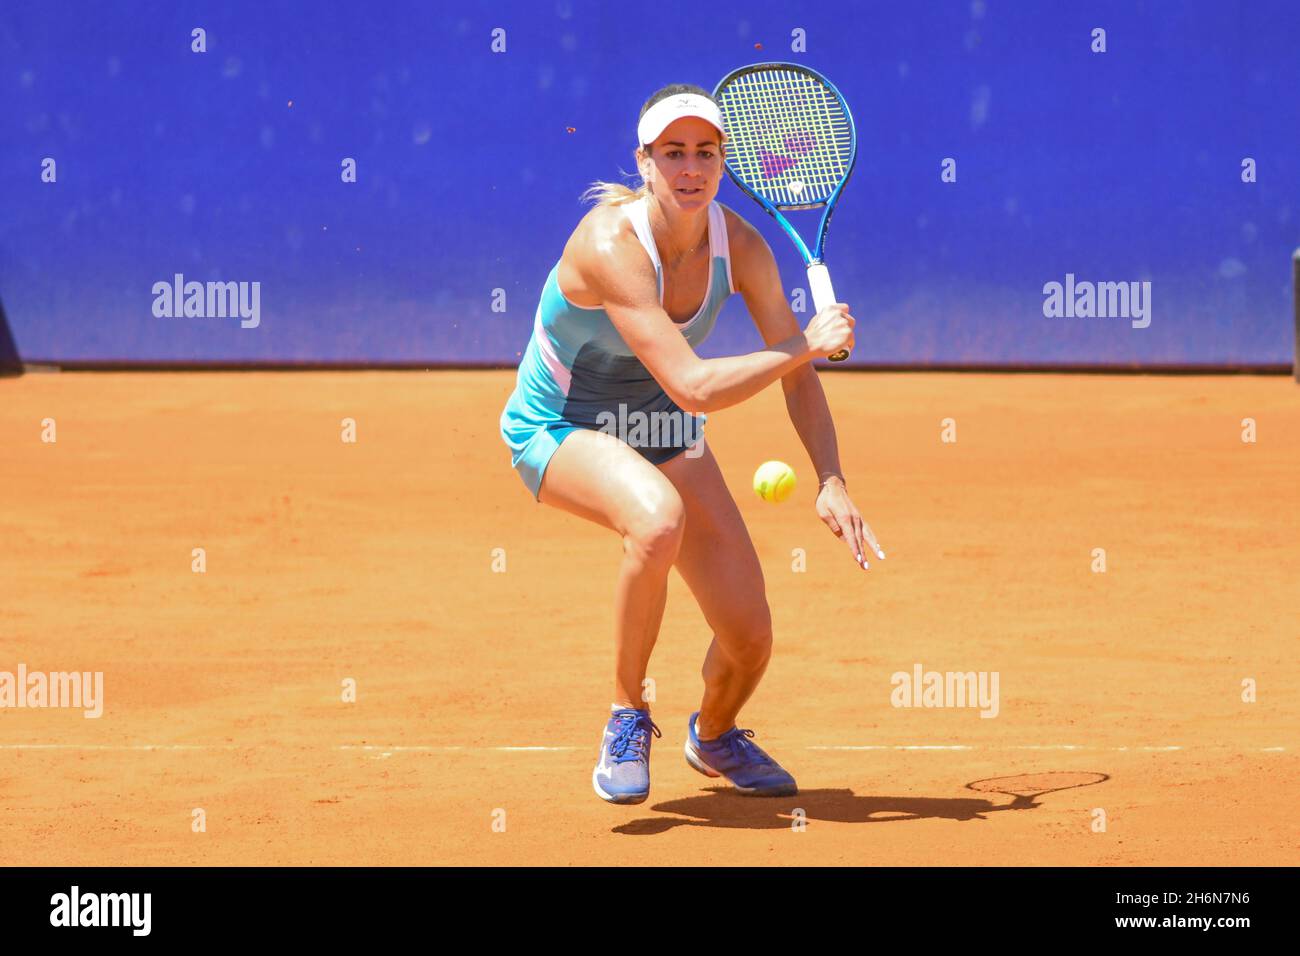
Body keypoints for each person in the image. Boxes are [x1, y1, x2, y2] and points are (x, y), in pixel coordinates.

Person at [499, 83, 884, 805]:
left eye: (705, 152)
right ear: (643, 163)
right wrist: (807, 342)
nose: (690, 167)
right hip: (560, 425)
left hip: (659, 425)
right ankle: (625, 713)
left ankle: (713, 734)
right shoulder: (608, 243)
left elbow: (796, 378)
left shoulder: (738, 245)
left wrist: (831, 476)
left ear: (722, 161)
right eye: (672, 152)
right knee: (656, 518)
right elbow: (697, 388)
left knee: (749, 637)